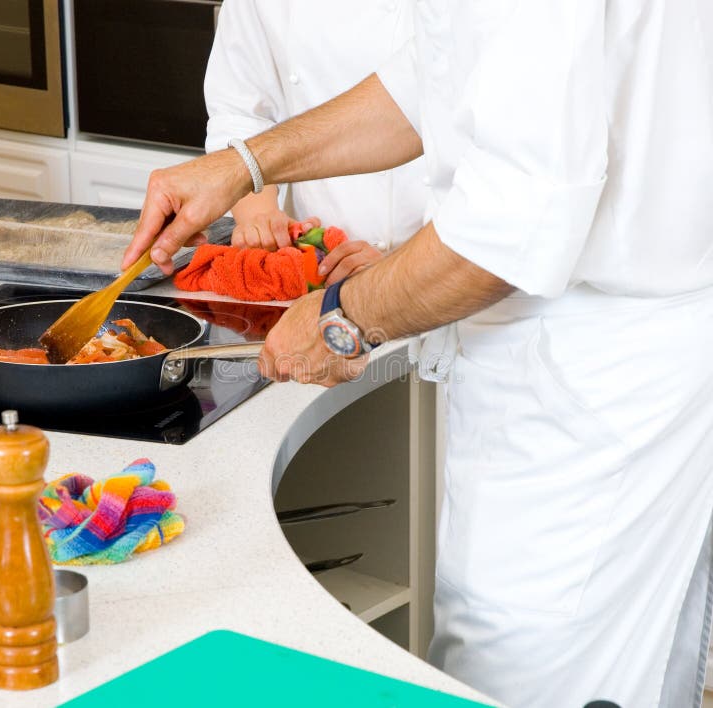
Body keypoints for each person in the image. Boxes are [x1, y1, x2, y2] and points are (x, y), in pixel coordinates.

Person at [123, 2, 713, 706]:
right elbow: (438, 83)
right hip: (579, 340)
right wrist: (248, 163)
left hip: (598, 375)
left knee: (513, 676)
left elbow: (510, 226)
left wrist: (344, 320)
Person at [204, 1, 427, 285]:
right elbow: (241, 110)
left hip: (455, 273)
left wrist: (407, 270)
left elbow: (481, 143)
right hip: (318, 268)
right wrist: (263, 220)